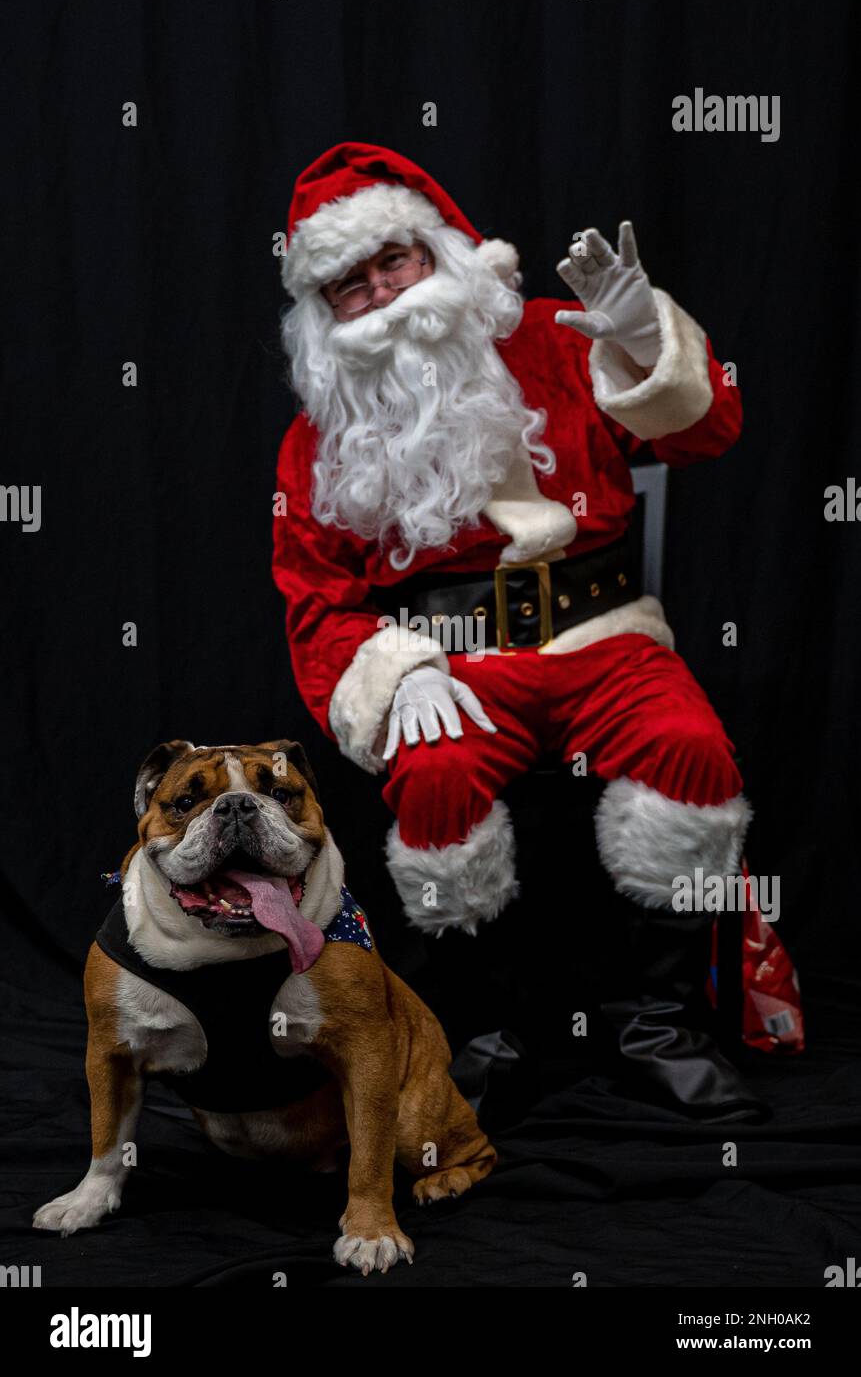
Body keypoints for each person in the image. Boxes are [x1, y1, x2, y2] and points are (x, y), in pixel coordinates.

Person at [272, 141, 765, 1120]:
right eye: (350, 284)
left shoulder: (554, 337)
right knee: (436, 779)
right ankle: (474, 1033)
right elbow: (316, 603)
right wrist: (393, 673)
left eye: (394, 261)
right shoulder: (319, 435)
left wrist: (643, 344)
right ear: (325, 314)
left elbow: (706, 433)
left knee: (690, 749)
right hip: (454, 665)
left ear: (439, 252)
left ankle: (656, 1022)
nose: (382, 294)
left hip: (605, 640)